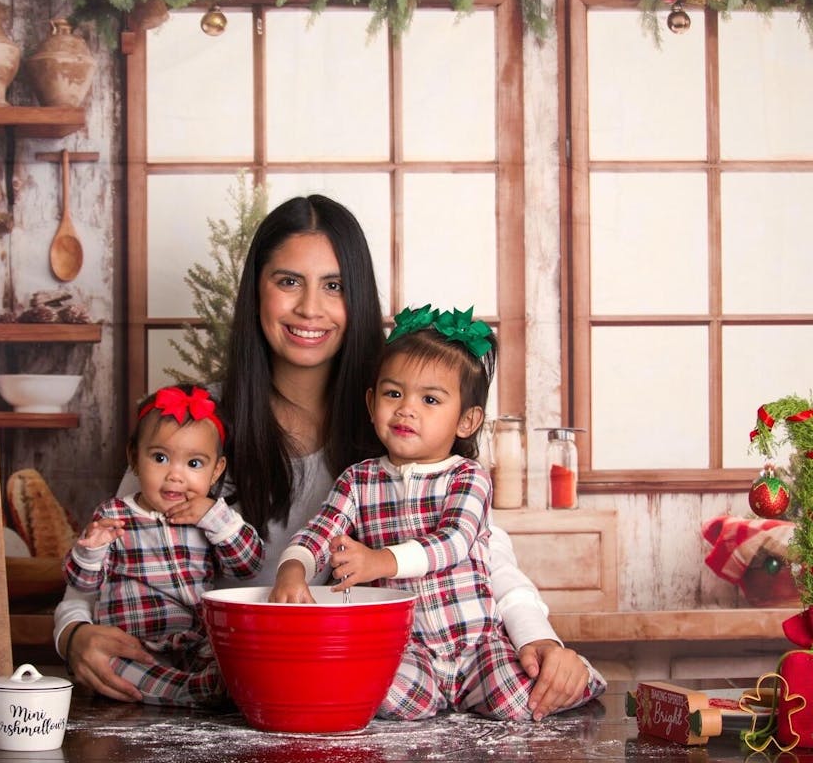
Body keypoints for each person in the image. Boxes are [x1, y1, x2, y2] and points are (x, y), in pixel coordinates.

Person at [55, 193, 592, 720]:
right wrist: (73, 633)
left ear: (357, 299)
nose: (310, 308)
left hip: (360, 675)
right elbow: (108, 543)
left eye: (334, 286)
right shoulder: (195, 421)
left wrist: (538, 638)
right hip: (229, 682)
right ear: (256, 292)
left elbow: (482, 554)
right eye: (288, 281)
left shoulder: (398, 423)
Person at [269, 306, 606, 721]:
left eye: (430, 399)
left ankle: (582, 675)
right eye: (394, 394)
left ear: (467, 420)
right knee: (373, 697)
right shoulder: (358, 481)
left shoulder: (468, 477)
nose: (407, 409)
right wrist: (293, 568)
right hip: (406, 649)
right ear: (372, 403)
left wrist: (381, 560)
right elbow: (319, 532)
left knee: (521, 701)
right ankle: (426, 697)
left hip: (476, 644)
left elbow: (455, 542)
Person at [62, 384, 264, 706]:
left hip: (196, 639)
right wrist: (91, 549)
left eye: (194, 464)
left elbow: (248, 565)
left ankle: (214, 686)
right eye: (160, 457)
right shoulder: (114, 514)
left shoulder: (211, 515)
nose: (175, 476)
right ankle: (190, 694)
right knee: (119, 668)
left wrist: (216, 518)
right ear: (134, 458)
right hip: (135, 643)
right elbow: (81, 583)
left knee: (238, 655)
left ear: (217, 471)